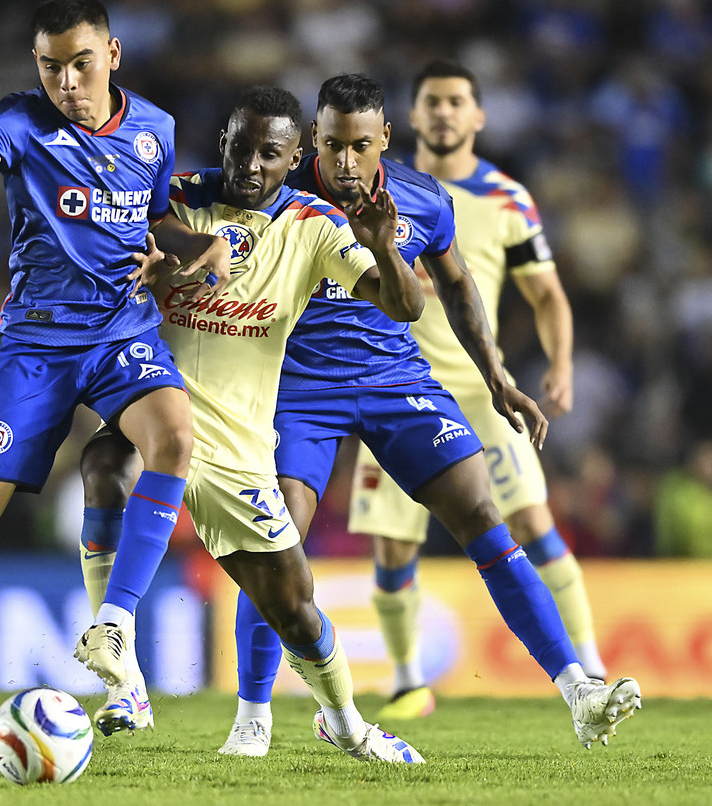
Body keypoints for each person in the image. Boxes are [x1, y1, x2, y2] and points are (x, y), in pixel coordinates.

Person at [81, 73, 640, 758]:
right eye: (334, 145)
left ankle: (578, 689)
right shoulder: (276, 182)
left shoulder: (421, 199)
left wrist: (496, 377)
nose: (345, 162)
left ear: (384, 141)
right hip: (296, 388)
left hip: (393, 376)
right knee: (276, 544)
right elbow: (163, 213)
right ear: (311, 140)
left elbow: (453, 288)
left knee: (482, 516)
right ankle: (253, 716)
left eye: (360, 147)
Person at [0, 0, 230, 741]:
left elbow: (154, 211)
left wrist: (185, 250)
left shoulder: (154, 128)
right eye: (50, 66)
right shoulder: (20, 120)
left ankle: (114, 623)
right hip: (35, 345)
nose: (65, 80)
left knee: (173, 439)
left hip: (120, 331)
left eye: (80, 63)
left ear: (113, 56)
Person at [84, 84, 428, 763]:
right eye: (239, 147)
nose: (249, 165)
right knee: (104, 465)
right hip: (163, 415)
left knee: (293, 605)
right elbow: (126, 233)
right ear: (224, 143)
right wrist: (158, 258)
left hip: (241, 450)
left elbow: (405, 305)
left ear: (295, 157)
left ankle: (347, 723)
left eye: (269, 154)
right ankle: (120, 663)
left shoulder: (317, 225)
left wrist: (386, 249)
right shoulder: (179, 197)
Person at [347, 60, 607, 721]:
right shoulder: (378, 187)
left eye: (456, 101)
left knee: (532, 523)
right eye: (431, 101)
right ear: (410, 116)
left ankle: (591, 665)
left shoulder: (508, 198)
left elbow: (546, 292)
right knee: (392, 544)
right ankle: (408, 680)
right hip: (398, 385)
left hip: (483, 388)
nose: (442, 112)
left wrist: (562, 363)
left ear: (479, 116)